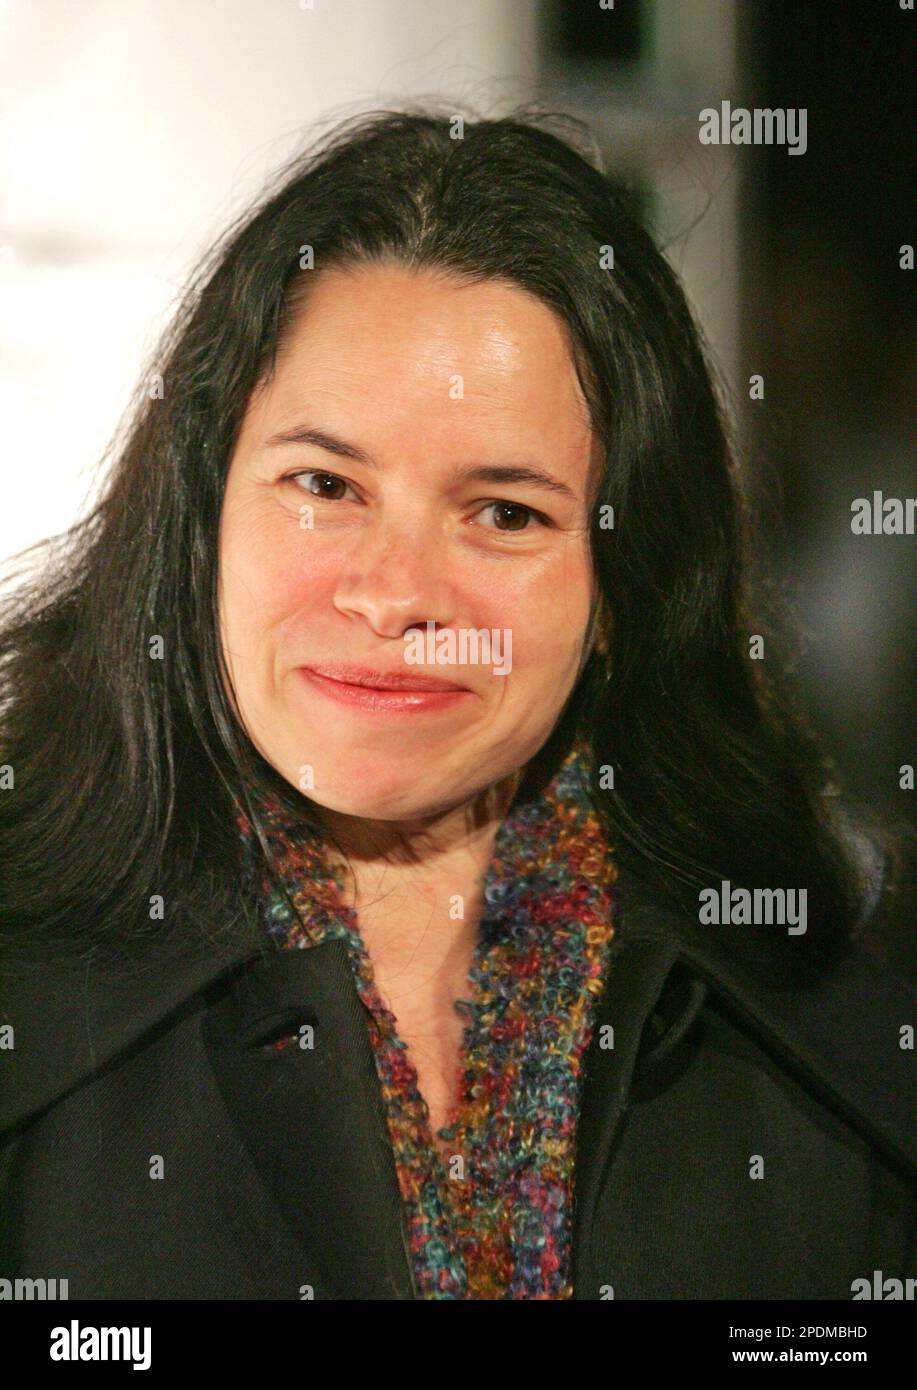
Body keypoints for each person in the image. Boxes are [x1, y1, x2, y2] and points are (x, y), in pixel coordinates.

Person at [0, 105, 913, 1301]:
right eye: (323, 484)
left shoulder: (835, 1070)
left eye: (503, 513)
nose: (393, 594)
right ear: (201, 518)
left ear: (625, 583)